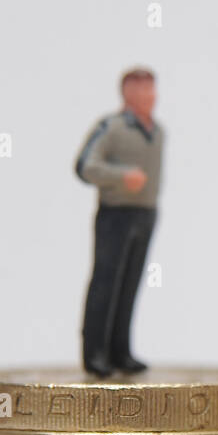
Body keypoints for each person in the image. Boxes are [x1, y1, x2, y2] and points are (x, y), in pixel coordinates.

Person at [74, 67, 163, 376]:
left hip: (146, 213)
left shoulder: (157, 131)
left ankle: (120, 349)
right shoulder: (111, 128)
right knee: (106, 283)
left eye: (153, 90)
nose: (150, 97)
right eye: (143, 91)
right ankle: (95, 352)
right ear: (127, 93)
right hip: (116, 214)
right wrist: (120, 176)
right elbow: (85, 166)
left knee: (130, 284)